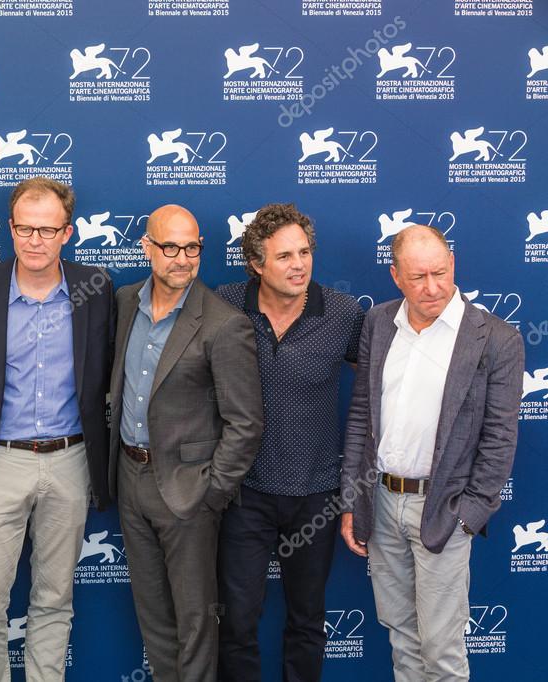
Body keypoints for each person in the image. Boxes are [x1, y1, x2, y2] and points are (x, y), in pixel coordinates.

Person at [0, 177, 114, 681]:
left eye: (47, 229)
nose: (34, 240)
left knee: (54, 601)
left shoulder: (96, 290)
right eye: (24, 228)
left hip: (70, 461)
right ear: (11, 228)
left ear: (68, 232)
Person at [340, 225, 523, 681]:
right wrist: (352, 500)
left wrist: (470, 514)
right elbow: (362, 415)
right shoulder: (379, 323)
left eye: (440, 273)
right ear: (395, 275)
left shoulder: (496, 339)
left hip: (444, 508)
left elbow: (500, 436)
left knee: (441, 649)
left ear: (453, 265)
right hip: (380, 503)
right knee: (402, 636)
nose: (432, 287)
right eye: (418, 276)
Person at [108, 203, 262, 682]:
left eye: (192, 247)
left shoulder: (223, 324)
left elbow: (246, 423)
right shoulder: (123, 301)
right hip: (130, 479)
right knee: (153, 617)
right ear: (146, 247)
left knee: (195, 623)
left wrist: (210, 493)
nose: (183, 258)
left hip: (187, 493)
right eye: (170, 247)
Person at [214, 203, 364, 682]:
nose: (299, 264)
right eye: (284, 256)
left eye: (304, 252)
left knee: (306, 620)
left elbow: (379, 390)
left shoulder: (342, 313)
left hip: (316, 497)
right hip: (245, 493)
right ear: (256, 264)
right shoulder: (225, 303)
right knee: (237, 620)